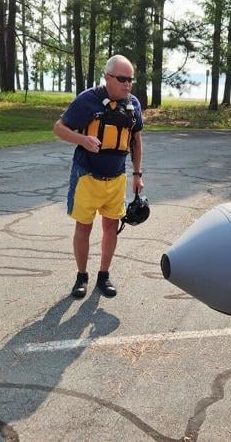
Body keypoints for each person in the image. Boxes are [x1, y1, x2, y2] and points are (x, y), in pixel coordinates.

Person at [53, 55, 144, 299]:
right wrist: (83, 139)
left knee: (111, 227)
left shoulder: (133, 104)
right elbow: (59, 128)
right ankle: (81, 276)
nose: (127, 85)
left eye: (130, 80)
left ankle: (104, 275)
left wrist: (137, 173)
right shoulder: (87, 100)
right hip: (87, 176)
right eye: (122, 79)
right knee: (84, 227)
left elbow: (135, 140)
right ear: (107, 77)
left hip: (117, 178)